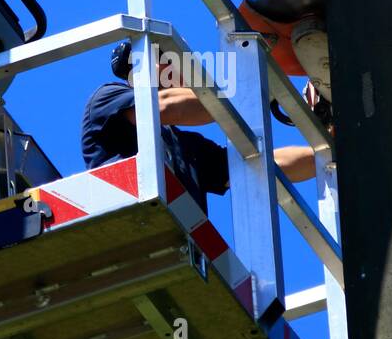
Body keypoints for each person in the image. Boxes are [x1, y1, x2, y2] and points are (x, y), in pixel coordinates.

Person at [81, 40, 315, 212]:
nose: (175, 67)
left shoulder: (187, 148)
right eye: (164, 58)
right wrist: (253, 93)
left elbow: (258, 166)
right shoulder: (108, 97)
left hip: (178, 235)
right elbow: (167, 107)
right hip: (128, 209)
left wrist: (327, 155)